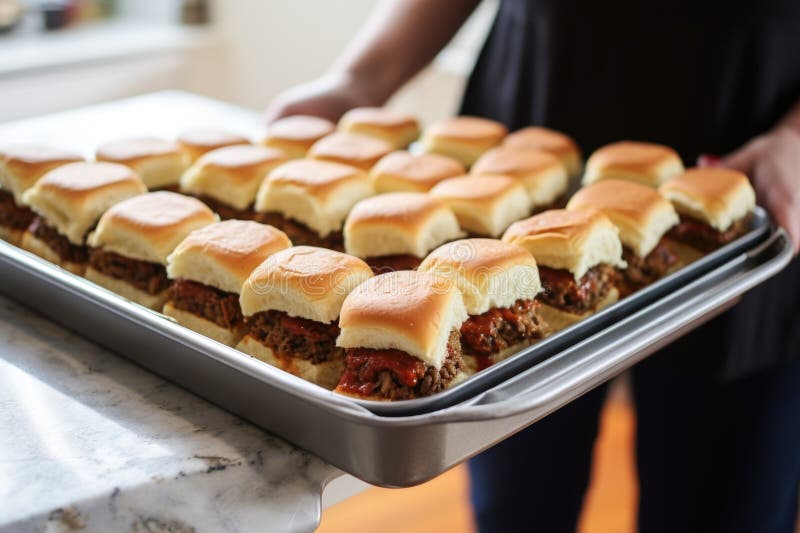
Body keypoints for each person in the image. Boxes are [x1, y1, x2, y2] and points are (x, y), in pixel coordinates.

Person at [264, 1, 800, 531]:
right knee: (518, 507)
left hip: (752, 142)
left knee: (723, 504)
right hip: (532, 107)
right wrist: (361, 78)